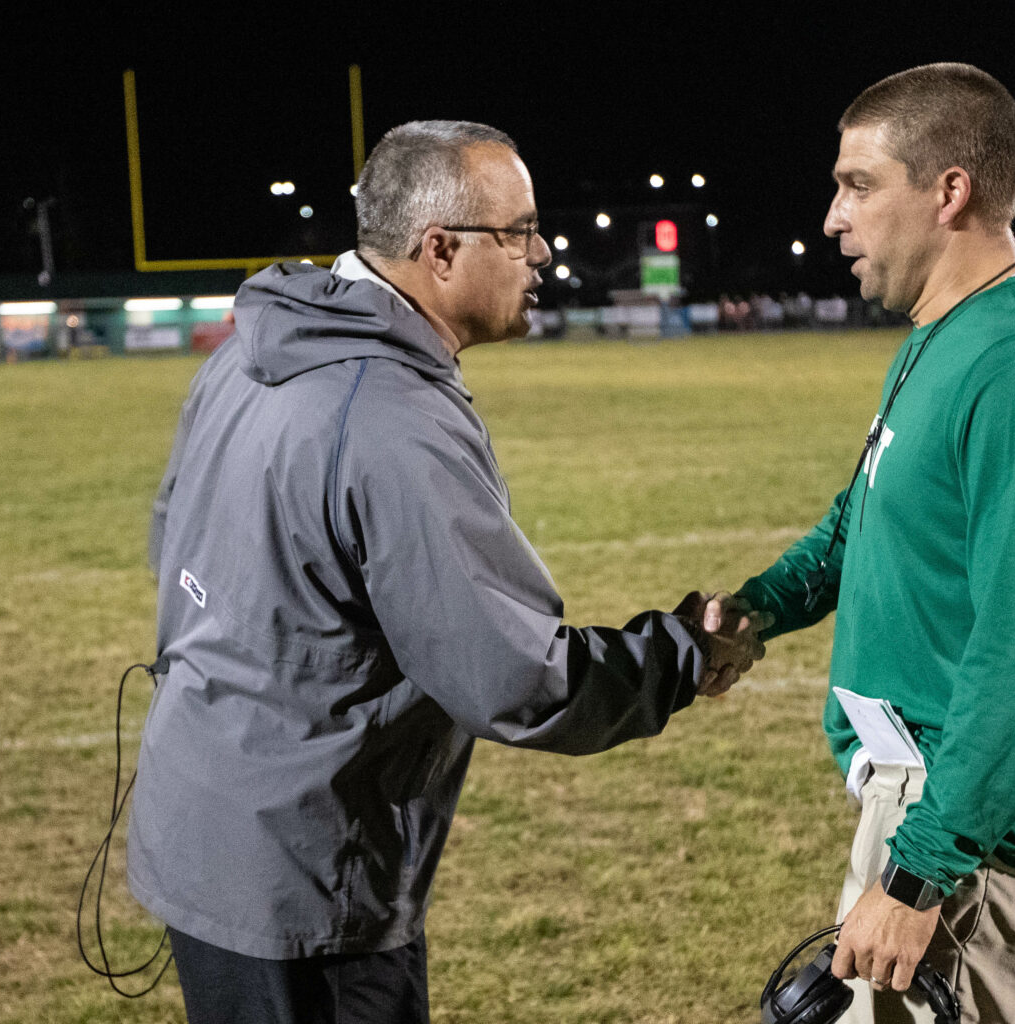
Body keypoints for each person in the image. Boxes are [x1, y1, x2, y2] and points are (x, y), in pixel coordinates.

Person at [128, 120, 765, 1024]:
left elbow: (172, 541)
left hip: (199, 826)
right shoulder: (388, 415)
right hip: (303, 875)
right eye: (520, 232)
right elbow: (512, 675)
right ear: (439, 250)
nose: (542, 252)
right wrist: (680, 657)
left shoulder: (249, 351)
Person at [707, 64, 1015, 1023]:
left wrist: (920, 877)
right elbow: (862, 513)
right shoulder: (943, 334)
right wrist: (758, 609)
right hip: (929, 817)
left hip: (983, 849)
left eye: (858, 185)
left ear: (950, 192)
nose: (832, 217)